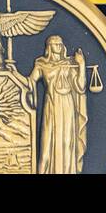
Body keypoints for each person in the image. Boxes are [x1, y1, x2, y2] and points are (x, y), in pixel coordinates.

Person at [27, 35, 88, 174]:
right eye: (55, 44)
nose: (58, 47)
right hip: (52, 106)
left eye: (60, 44)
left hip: (67, 105)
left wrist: (81, 65)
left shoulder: (69, 63)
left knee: (67, 143)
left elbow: (80, 86)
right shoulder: (42, 64)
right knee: (46, 148)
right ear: (49, 47)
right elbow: (30, 82)